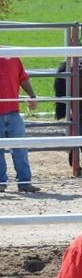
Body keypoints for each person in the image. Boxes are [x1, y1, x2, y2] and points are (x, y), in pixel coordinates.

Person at [0, 51, 38, 193]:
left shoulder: (12, 56)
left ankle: (24, 182)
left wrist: (32, 95)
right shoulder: (10, 55)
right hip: (11, 111)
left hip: (13, 112)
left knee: (20, 148)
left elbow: (22, 77)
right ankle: (2, 182)